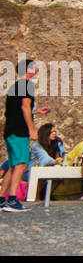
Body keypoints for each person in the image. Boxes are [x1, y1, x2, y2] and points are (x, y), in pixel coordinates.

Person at [3, 59, 50, 211]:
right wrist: (32, 129)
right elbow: (24, 107)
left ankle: (2, 199)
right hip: (19, 131)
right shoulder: (27, 85)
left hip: (10, 130)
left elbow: (16, 109)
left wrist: (36, 111)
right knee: (22, 164)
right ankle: (12, 200)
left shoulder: (15, 86)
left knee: (13, 166)